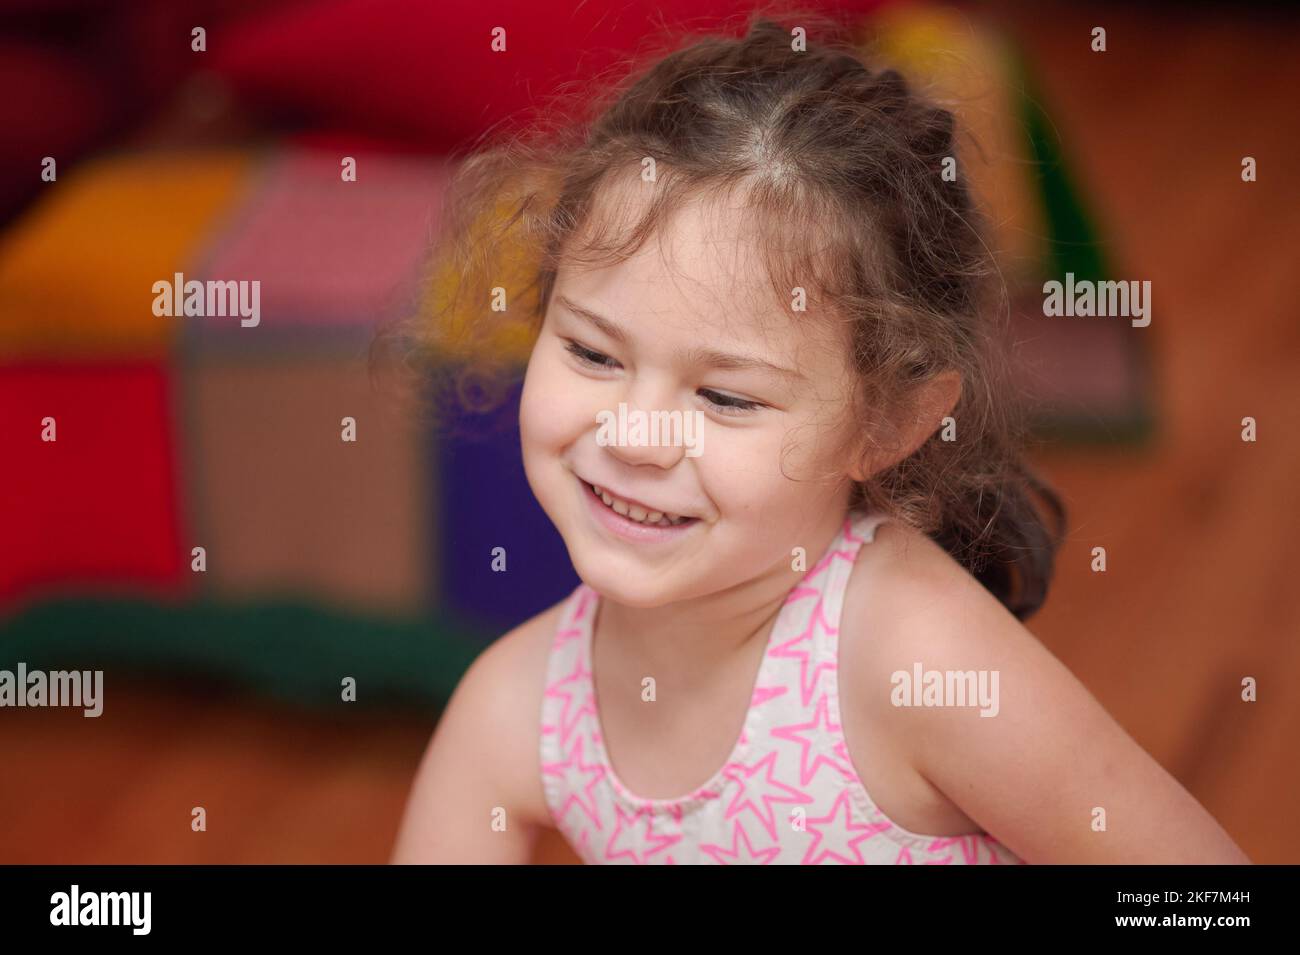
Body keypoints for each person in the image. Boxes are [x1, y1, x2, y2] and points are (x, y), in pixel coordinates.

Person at [388, 14, 1250, 864]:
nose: (635, 435)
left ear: (888, 424)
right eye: (590, 351)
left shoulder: (915, 657)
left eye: (726, 396)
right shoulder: (517, 711)